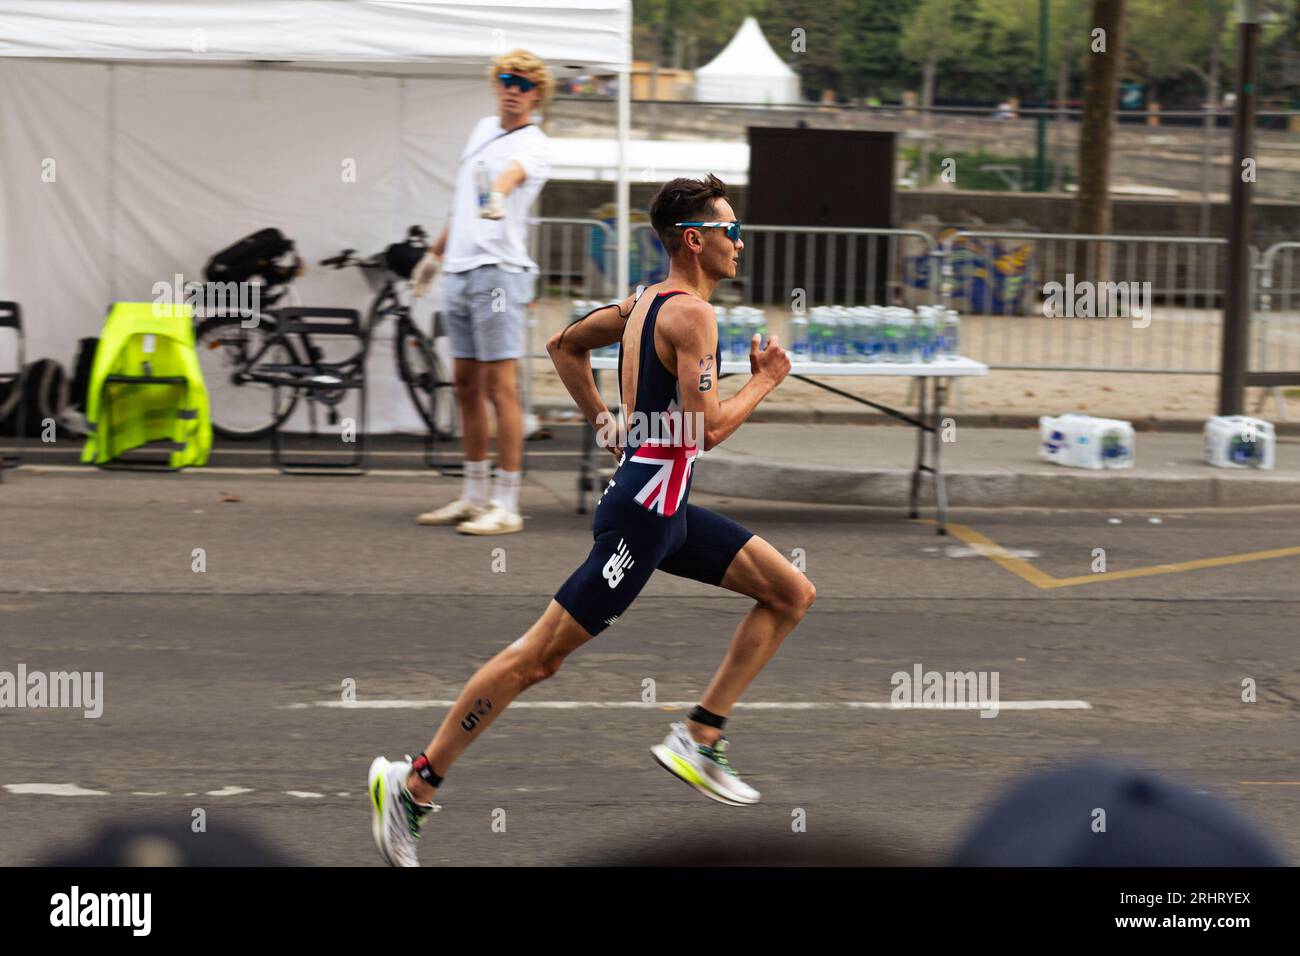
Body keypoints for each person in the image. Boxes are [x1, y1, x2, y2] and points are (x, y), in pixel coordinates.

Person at [368, 174, 816, 867]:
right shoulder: (692, 316)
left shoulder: (641, 305)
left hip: (663, 508)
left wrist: (605, 422)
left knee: (790, 593)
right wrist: (765, 380)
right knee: (539, 658)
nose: (740, 243)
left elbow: (562, 346)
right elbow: (703, 433)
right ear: (695, 241)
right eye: (731, 231)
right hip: (643, 516)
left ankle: (698, 736)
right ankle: (414, 783)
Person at [410, 50, 553, 535]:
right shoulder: (480, 129)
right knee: (466, 384)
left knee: (500, 387)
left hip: (499, 272)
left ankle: (507, 502)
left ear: (537, 94)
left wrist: (498, 193)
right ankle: (473, 495)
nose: (514, 89)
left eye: (524, 84)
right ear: (498, 85)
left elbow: (510, 175)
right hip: (461, 268)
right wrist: (433, 257)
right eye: (507, 80)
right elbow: (461, 207)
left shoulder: (536, 143)